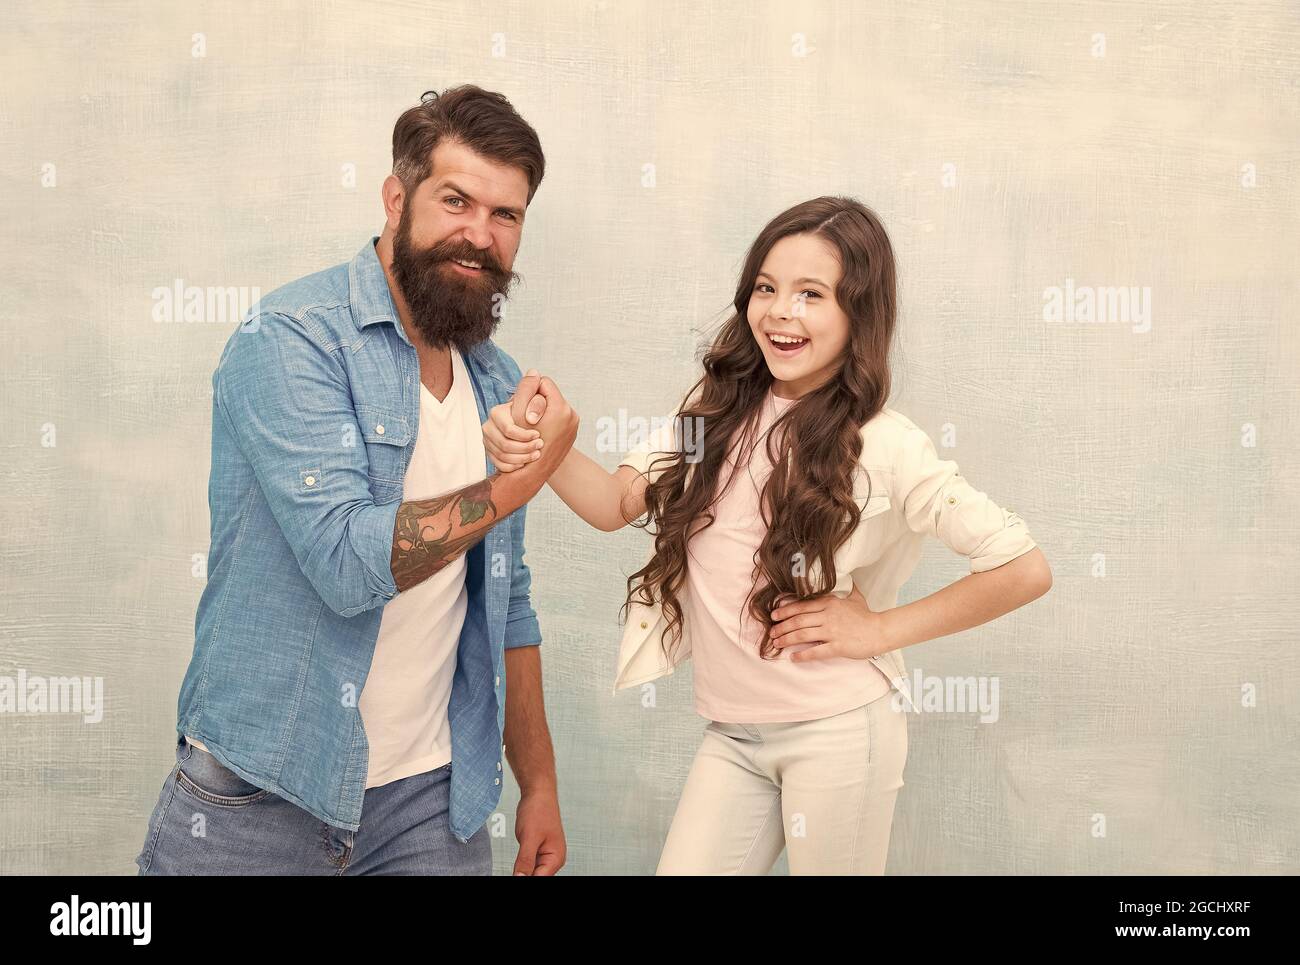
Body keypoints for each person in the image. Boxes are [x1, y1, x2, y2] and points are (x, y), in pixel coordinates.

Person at [483, 196, 1053, 875]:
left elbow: (1023, 567)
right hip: (735, 734)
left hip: (839, 732)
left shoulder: (885, 442)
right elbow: (613, 501)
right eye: (766, 287)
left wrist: (879, 631)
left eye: (811, 294)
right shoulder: (713, 413)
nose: (781, 311)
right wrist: (544, 444)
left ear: (858, 313)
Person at [136, 85, 576, 875]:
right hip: (260, 795)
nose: (479, 235)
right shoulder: (290, 339)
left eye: (505, 215)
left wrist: (537, 783)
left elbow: (509, 600)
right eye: (456, 200)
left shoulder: (495, 379)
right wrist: (520, 480)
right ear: (395, 198)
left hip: (431, 806)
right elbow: (346, 563)